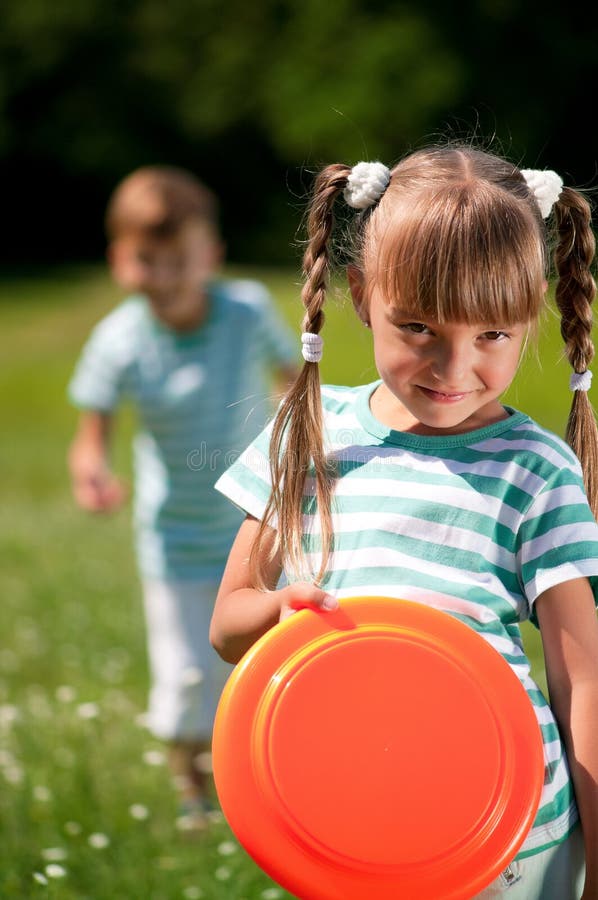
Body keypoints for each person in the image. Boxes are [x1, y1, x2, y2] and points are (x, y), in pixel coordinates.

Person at [209, 145, 598, 897]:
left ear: (531, 312)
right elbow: (228, 627)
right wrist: (278, 610)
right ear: (362, 294)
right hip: (347, 823)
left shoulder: (536, 470)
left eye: (491, 336)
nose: (454, 370)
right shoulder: (310, 434)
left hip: (512, 842)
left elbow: (581, 685)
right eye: (419, 328)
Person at [68, 165, 298, 831]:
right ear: (119, 260)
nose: (164, 277)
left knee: (262, 659)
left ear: (211, 257)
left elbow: (293, 382)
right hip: (172, 538)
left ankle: (258, 779)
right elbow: (92, 435)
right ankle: (193, 797)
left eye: (180, 261)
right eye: (146, 260)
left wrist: (296, 434)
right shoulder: (119, 340)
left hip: (254, 530)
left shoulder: (247, 311)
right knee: (186, 674)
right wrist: (92, 473)